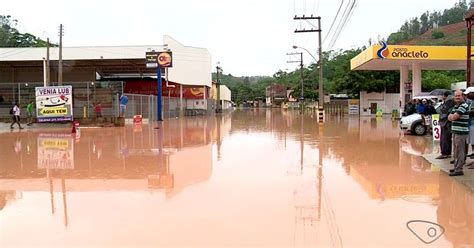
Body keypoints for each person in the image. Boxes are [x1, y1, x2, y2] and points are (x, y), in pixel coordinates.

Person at [448, 90, 469, 176]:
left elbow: (453, 117)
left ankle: (459, 169)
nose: (457, 97)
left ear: (463, 96)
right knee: (456, 151)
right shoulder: (456, 106)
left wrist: (452, 117)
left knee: (460, 151)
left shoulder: (464, 105)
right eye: (456, 96)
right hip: (455, 131)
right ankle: (456, 167)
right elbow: (450, 117)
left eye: (459, 96)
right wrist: (452, 117)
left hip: (461, 132)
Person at [436, 91, 455, 159]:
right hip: (446, 122)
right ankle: (447, 153)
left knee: (444, 138)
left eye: (442, 95)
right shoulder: (449, 101)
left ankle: (445, 153)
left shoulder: (449, 102)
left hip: (445, 123)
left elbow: (444, 112)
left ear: (445, 96)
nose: (442, 97)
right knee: (447, 138)